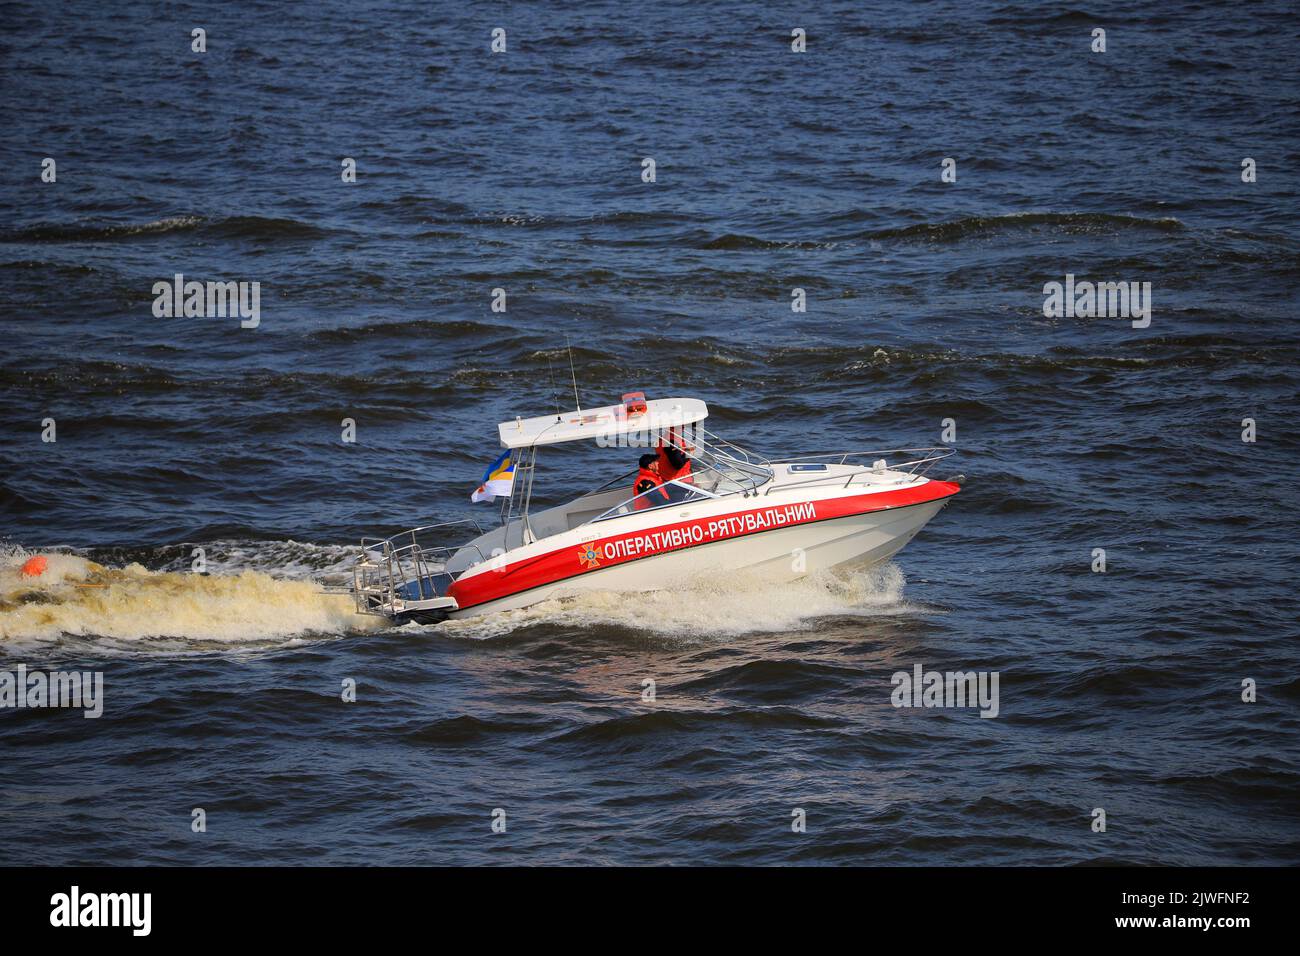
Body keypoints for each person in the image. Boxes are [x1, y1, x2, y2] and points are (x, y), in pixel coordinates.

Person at [655, 426, 695, 502]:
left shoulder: (663, 437)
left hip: (667, 479)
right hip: (678, 483)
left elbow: (669, 455)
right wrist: (689, 453)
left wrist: (685, 450)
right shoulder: (672, 440)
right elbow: (677, 464)